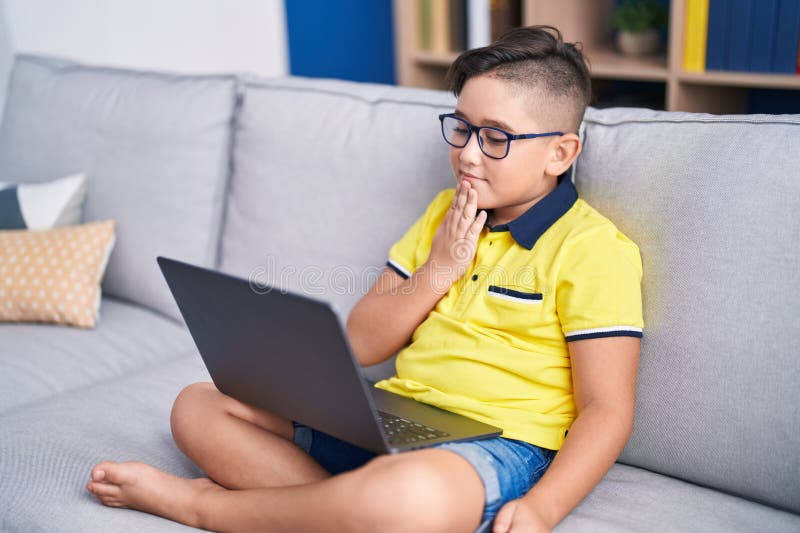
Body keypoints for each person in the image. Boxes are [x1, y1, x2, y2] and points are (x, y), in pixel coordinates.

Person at [86, 25, 643, 533]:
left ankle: (201, 506)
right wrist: (441, 268)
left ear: (560, 153)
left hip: (493, 447)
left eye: (496, 137)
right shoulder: (443, 215)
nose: (468, 155)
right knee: (199, 406)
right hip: (392, 418)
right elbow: (364, 341)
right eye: (463, 129)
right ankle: (352, 511)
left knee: (410, 494)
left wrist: (544, 507)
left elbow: (606, 409)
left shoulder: (594, 250)